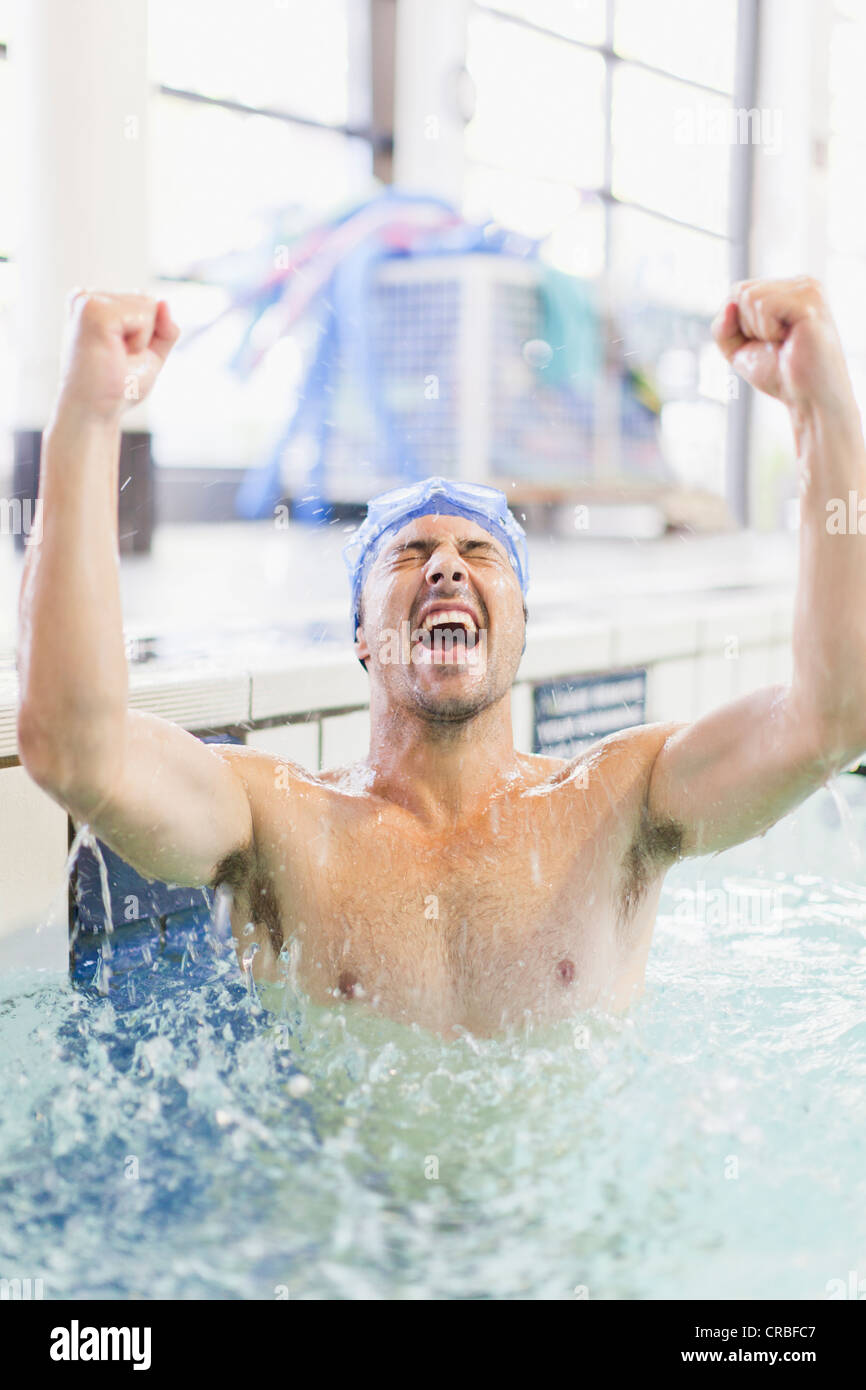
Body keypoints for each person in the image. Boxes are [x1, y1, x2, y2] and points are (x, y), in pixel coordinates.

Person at [16, 279, 866, 1037]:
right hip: (345, 1218)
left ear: (520, 626)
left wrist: (822, 409)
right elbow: (73, 749)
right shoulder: (274, 821)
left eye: (480, 553)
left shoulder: (623, 803)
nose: (449, 565)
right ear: (361, 635)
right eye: (410, 553)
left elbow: (832, 719)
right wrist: (87, 418)